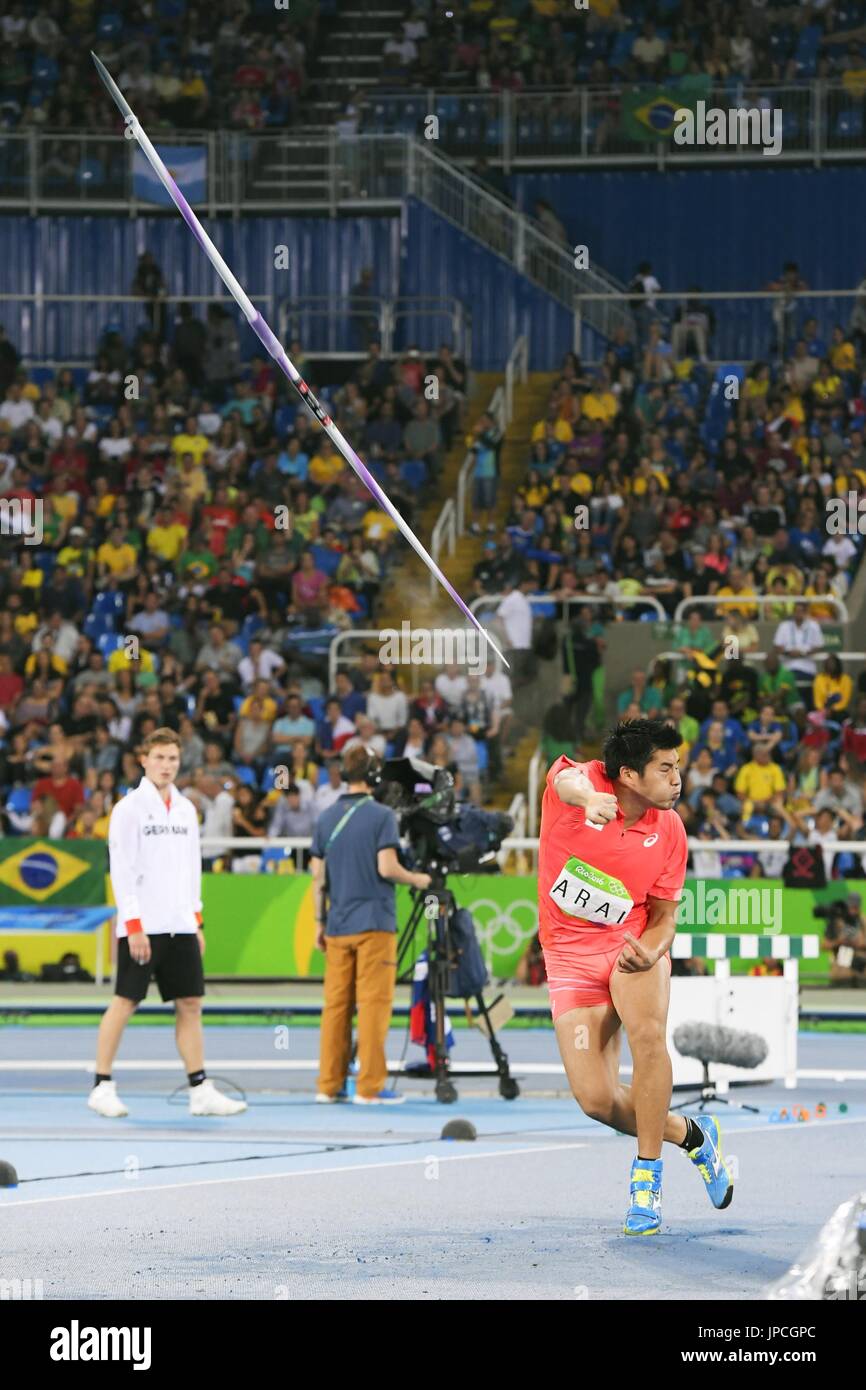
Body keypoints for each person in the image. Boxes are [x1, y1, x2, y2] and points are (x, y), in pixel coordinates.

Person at [537, 718, 734, 1236]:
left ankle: (646, 1179)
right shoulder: (576, 787)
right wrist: (587, 802)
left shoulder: (669, 830)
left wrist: (653, 951)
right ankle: (692, 1134)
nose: (678, 780)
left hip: (631, 946)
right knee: (596, 1100)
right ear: (627, 773)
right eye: (665, 769)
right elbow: (566, 781)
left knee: (649, 1039)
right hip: (570, 956)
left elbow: (666, 915)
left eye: (678, 768)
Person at [88, 727, 246, 1119]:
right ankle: (101, 1086)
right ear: (144, 759)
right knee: (125, 1001)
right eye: (159, 757)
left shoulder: (187, 809)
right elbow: (120, 870)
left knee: (191, 1003)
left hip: (180, 923)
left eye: (173, 759)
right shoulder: (128, 809)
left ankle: (200, 1089)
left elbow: (192, 868)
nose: (166, 765)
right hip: (143, 924)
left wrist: (197, 920)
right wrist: (134, 923)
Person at [310, 744, 431, 1105]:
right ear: (374, 776)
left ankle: (328, 1085)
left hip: (337, 924)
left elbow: (317, 877)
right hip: (374, 924)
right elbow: (386, 868)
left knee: (335, 1007)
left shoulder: (326, 818)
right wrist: (418, 879)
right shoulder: (381, 817)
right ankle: (370, 1086)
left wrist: (320, 920)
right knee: (373, 1005)